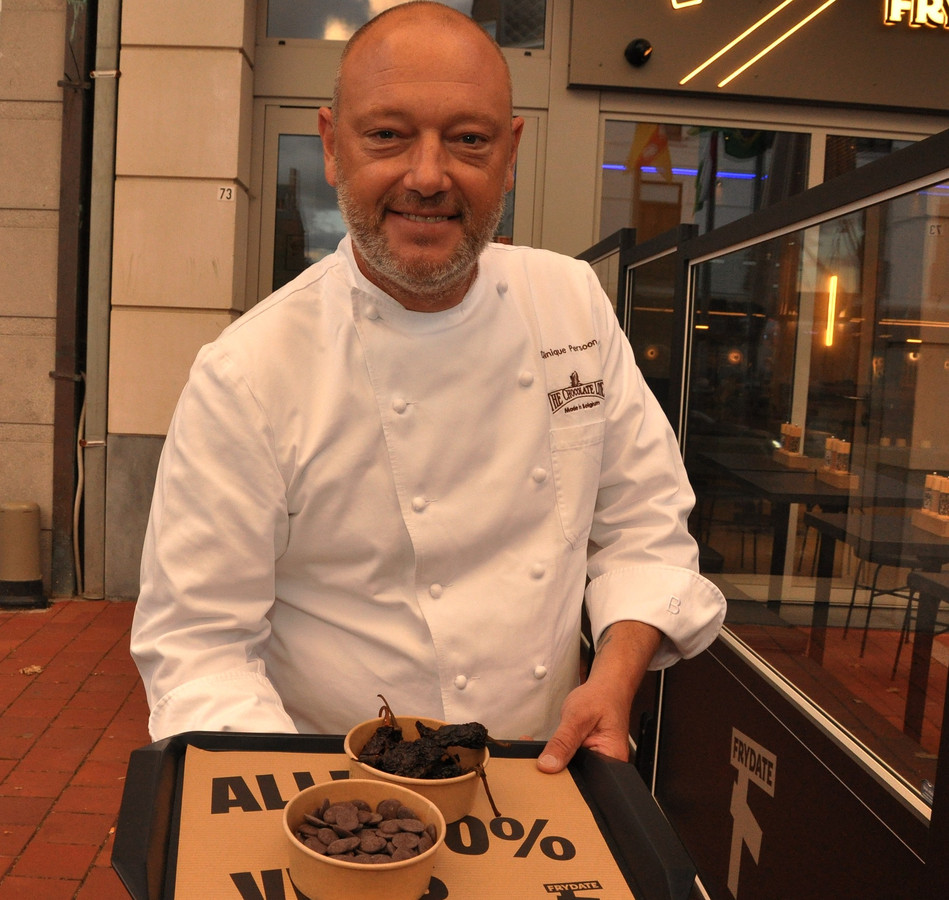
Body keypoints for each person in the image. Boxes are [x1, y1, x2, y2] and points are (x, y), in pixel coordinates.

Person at [130, 0, 725, 774]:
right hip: (332, 793)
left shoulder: (569, 302)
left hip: (539, 770)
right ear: (331, 146)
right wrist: (309, 805)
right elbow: (199, 646)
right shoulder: (248, 373)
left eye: (468, 139)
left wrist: (612, 681)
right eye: (387, 135)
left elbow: (644, 526)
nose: (427, 175)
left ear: (509, 152)